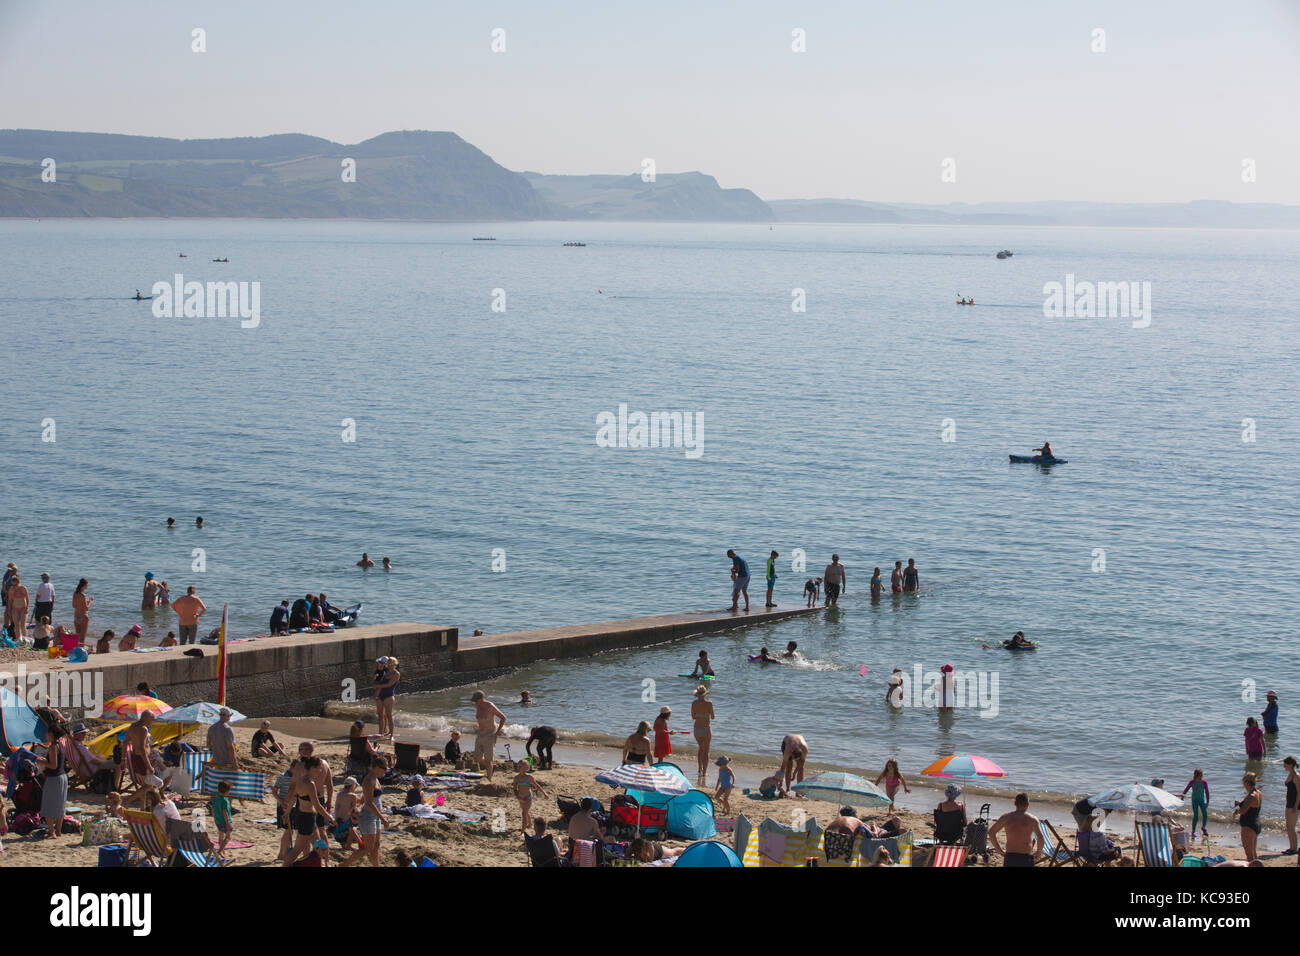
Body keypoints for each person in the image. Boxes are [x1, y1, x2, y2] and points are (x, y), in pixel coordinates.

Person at [284, 756, 335, 866]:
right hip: (307, 819)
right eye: (318, 768)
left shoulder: (301, 780)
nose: (320, 771)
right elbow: (317, 806)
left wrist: (287, 812)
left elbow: (294, 797)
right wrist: (330, 817)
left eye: (321, 768)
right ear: (311, 768)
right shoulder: (310, 784)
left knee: (320, 847)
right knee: (296, 851)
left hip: (304, 816)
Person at [342, 757, 388, 867]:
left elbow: (365, 797)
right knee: (367, 848)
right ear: (376, 767)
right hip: (368, 817)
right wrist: (383, 818)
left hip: (375, 816)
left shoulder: (376, 779)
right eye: (384, 768)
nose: (386, 771)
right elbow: (369, 802)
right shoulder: (368, 780)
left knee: (376, 845)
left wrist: (358, 804)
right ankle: (344, 864)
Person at [988, 793, 1042, 866]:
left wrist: (999, 850)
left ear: (1015, 803)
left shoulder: (1006, 817)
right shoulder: (1032, 819)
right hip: (1026, 856)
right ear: (1028, 805)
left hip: (1010, 856)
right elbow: (1040, 837)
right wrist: (1039, 851)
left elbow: (991, 832)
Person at [39, 723, 68, 838]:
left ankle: (51, 832)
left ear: (51, 734)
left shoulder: (53, 747)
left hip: (54, 778)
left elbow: (53, 765)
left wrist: (42, 762)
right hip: (62, 777)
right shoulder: (60, 745)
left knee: (48, 805)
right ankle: (59, 831)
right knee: (60, 805)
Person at [470, 691, 506, 780]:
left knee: (488, 759)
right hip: (480, 733)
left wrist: (497, 733)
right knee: (477, 758)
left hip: (490, 733)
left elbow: (503, 717)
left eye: (476, 700)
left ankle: (489, 779)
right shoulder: (477, 705)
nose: (475, 702)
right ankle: (491, 767)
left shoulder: (490, 706)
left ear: (482, 698)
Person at [512, 760, 549, 835]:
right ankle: (529, 824)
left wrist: (544, 793)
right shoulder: (516, 778)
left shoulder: (529, 777)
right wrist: (518, 797)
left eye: (520, 766)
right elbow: (515, 789)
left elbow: (536, 786)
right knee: (525, 811)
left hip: (528, 797)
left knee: (524, 813)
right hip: (521, 798)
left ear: (526, 768)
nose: (518, 767)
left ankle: (522, 831)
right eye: (518, 766)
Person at [1233, 772, 1262, 863]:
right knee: (1253, 853)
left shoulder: (1251, 796)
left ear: (1246, 783)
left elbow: (1243, 811)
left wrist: (1237, 812)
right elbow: (1250, 805)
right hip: (1255, 823)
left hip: (1248, 826)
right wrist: (1239, 803)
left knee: (1249, 855)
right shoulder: (1258, 792)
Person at [691, 685, 714, 779]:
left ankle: (699, 769)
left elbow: (693, 716)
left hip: (697, 729)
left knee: (701, 749)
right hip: (706, 729)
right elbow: (712, 717)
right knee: (706, 751)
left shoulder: (694, 703)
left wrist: (700, 715)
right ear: (705, 694)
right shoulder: (709, 703)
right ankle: (704, 772)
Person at [374, 656, 400, 738]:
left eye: (391, 664)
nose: (389, 666)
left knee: (389, 715)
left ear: (395, 664)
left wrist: (378, 686)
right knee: (380, 715)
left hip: (389, 695)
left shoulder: (396, 674)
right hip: (380, 695)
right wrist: (376, 687)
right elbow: (377, 681)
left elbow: (389, 684)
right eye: (388, 664)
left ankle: (391, 734)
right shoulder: (384, 671)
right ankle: (381, 732)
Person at [1181, 769, 1210, 840]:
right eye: (1199, 775)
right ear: (1196, 775)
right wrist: (1182, 796)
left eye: (1201, 775)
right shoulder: (1192, 782)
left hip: (1202, 800)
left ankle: (1203, 827)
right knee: (1196, 816)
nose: (1201, 777)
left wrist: (1208, 801)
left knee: (1205, 815)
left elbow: (1207, 792)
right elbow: (1186, 789)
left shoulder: (1204, 782)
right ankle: (1193, 831)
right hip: (1194, 801)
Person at [211, 779, 234, 858]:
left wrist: (215, 818)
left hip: (218, 820)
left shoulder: (215, 798)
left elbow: (213, 809)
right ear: (227, 791)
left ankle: (222, 850)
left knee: (221, 836)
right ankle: (220, 850)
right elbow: (225, 812)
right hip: (225, 821)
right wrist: (227, 823)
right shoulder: (224, 800)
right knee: (228, 837)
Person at [1283, 755, 1299, 856]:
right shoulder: (1290, 774)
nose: (1284, 766)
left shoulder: (1296, 776)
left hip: (1294, 804)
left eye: (1285, 765)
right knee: (1288, 826)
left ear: (1291, 765)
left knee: (1292, 827)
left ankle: (1294, 848)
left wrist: (1296, 806)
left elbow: (1299, 792)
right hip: (1289, 803)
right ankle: (1291, 847)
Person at [5, 574, 27, 640]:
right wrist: (9, 610)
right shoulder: (11, 589)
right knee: (16, 625)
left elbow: (27, 599)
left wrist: (27, 608)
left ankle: (24, 639)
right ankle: (18, 639)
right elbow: (10, 601)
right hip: (15, 608)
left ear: (18, 583)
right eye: (13, 584)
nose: (14, 586)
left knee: (23, 625)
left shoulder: (23, 588)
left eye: (15, 585)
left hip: (23, 608)